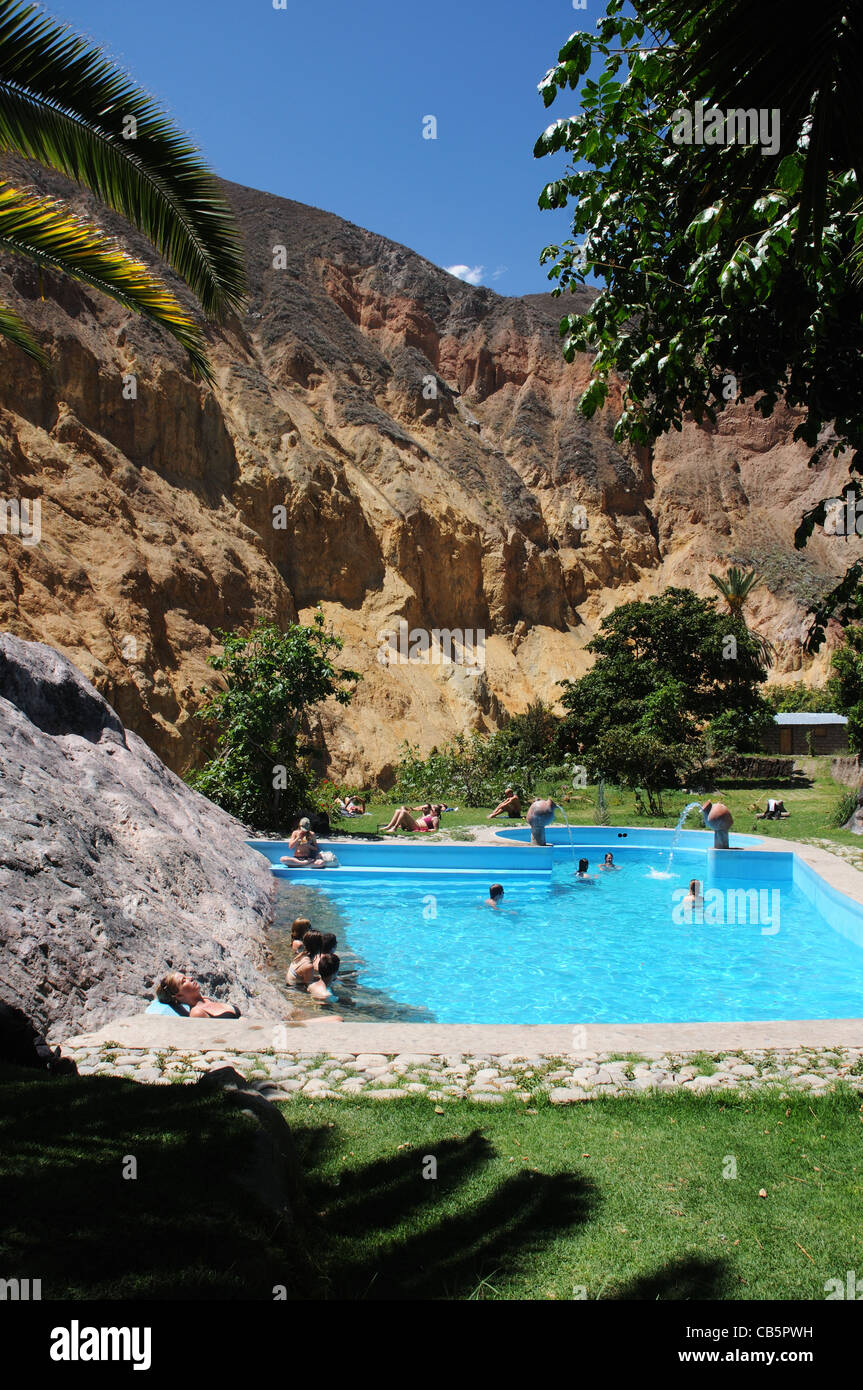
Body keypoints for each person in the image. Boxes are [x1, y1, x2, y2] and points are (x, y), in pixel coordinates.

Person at [156, 972, 241, 1019]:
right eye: (184, 981)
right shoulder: (197, 1013)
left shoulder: (207, 999)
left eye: (186, 976)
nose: (190, 978)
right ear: (179, 995)